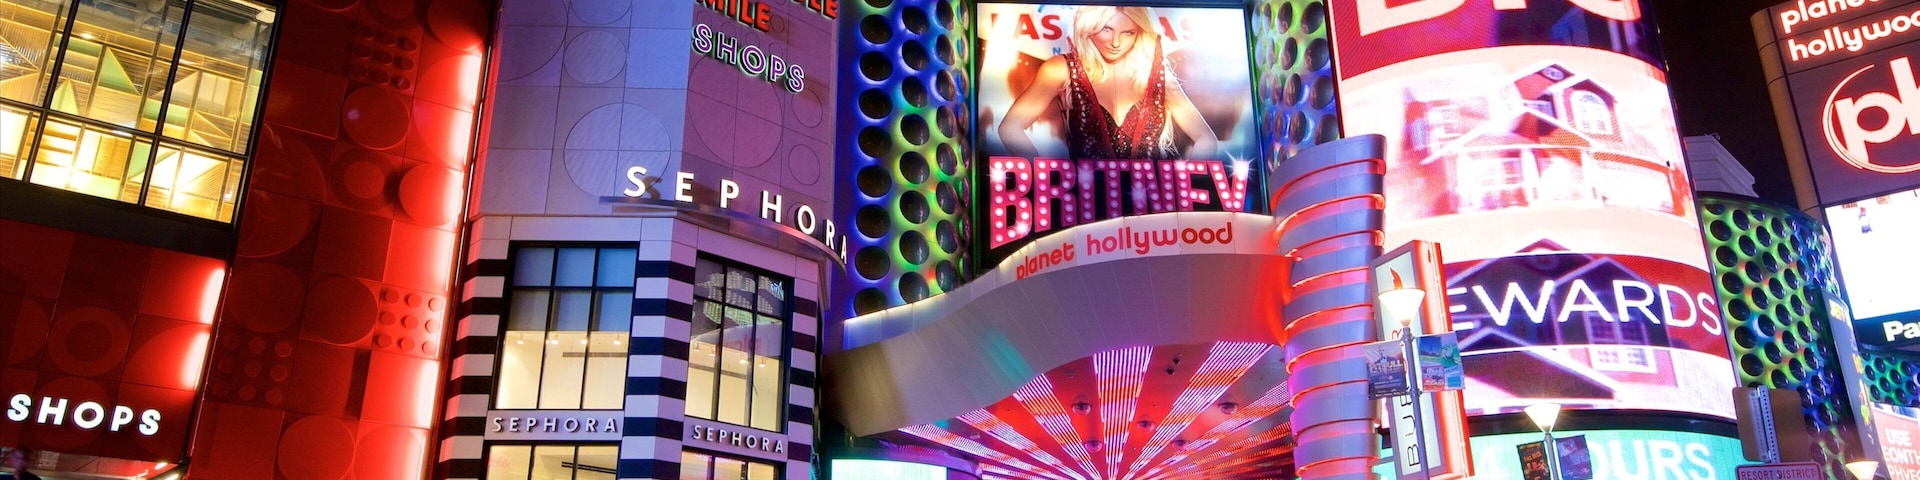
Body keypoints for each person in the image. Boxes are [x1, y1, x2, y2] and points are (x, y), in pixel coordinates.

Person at [997, 6, 1218, 161]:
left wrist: (1182, 186)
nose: (1115, 42)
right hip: (1086, 205)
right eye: (1106, 29)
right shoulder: (1061, 69)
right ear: (1089, 28)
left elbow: (1206, 139)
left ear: (1140, 34)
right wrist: (1042, 179)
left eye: (1128, 33)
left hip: (1154, 208)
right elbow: (1010, 127)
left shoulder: (1155, 74)